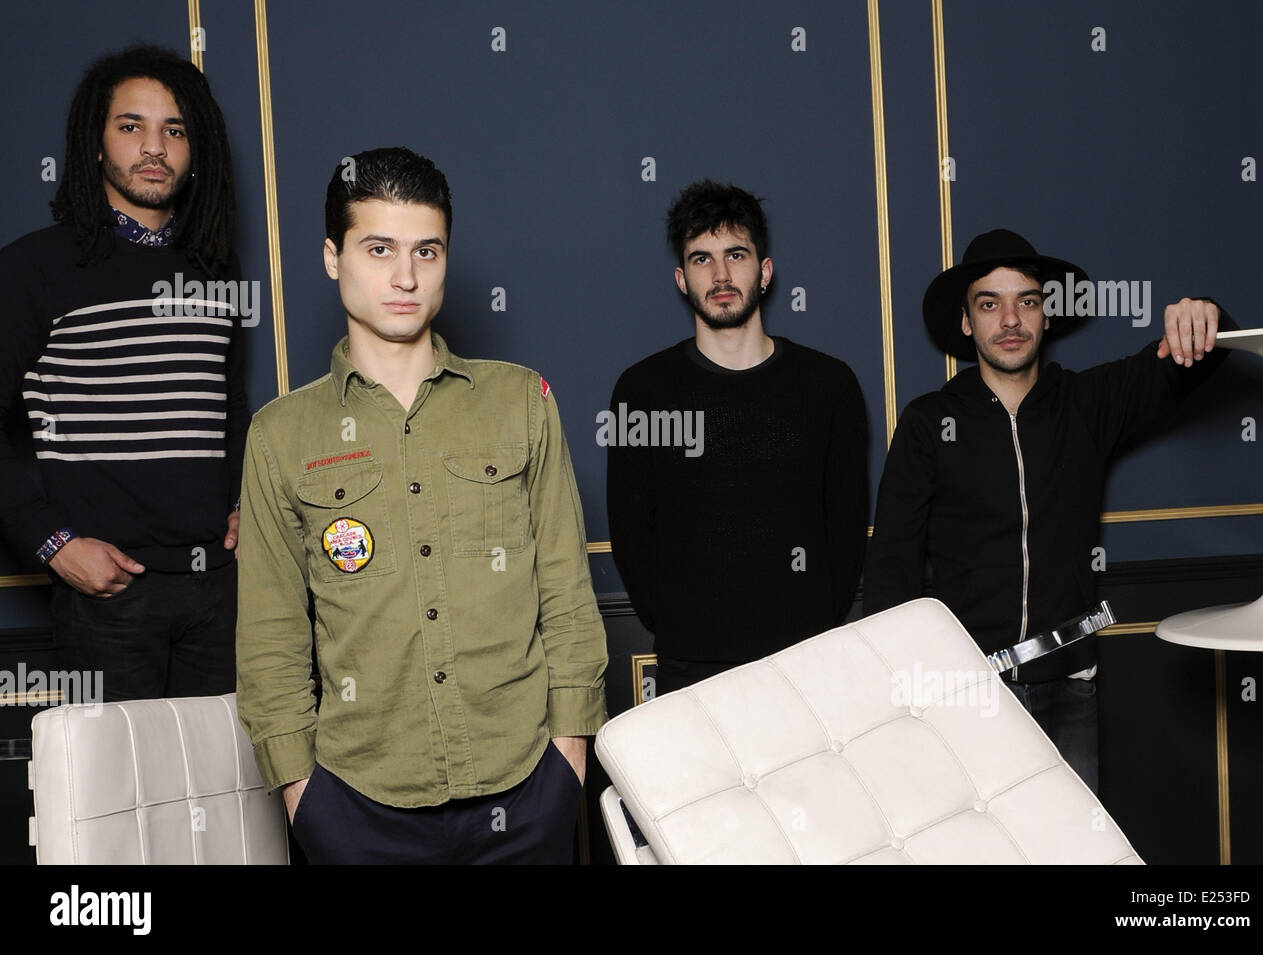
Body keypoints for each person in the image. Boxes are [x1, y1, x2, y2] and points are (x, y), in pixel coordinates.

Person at [236, 147, 607, 864]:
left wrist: (568, 760)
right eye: (379, 249)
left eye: (426, 251)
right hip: (357, 807)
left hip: (527, 789)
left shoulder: (521, 399)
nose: (406, 276)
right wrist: (303, 796)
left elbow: (566, 593)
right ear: (331, 256)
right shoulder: (280, 436)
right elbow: (271, 638)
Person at [862, 228, 1235, 793]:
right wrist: (904, 691)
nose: (1010, 319)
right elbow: (892, 566)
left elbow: (1195, 357)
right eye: (990, 304)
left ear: (1047, 314)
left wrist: (1205, 312)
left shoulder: (1088, 403)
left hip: (1071, 688)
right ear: (967, 323)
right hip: (968, 694)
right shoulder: (927, 423)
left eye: (1026, 302)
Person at [0, 45, 247, 702]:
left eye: (175, 129)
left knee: (225, 796)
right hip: (106, 597)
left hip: (220, 592)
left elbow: (228, 409)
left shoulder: (214, 270)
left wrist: (248, 502)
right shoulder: (34, 268)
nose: (154, 147)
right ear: (96, 141)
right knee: (121, 801)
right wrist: (52, 542)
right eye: (131, 125)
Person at [606, 180, 870, 696]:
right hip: (691, 667)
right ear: (682, 280)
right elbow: (631, 530)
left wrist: (812, 629)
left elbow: (845, 524)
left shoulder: (828, 385)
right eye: (702, 259)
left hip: (807, 662)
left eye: (736, 254)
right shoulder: (641, 389)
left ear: (765, 272)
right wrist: (683, 630)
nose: (721, 274)